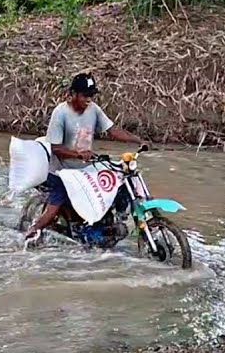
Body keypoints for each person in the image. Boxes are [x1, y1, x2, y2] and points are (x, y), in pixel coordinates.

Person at [23, 72, 145, 242]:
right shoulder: (61, 113)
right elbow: (55, 148)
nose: (89, 98)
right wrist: (79, 154)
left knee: (116, 182)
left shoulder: (93, 109)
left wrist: (137, 140)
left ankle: (106, 222)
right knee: (55, 206)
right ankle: (32, 231)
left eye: (91, 95)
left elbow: (112, 130)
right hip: (60, 171)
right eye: (85, 95)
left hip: (84, 169)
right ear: (73, 94)